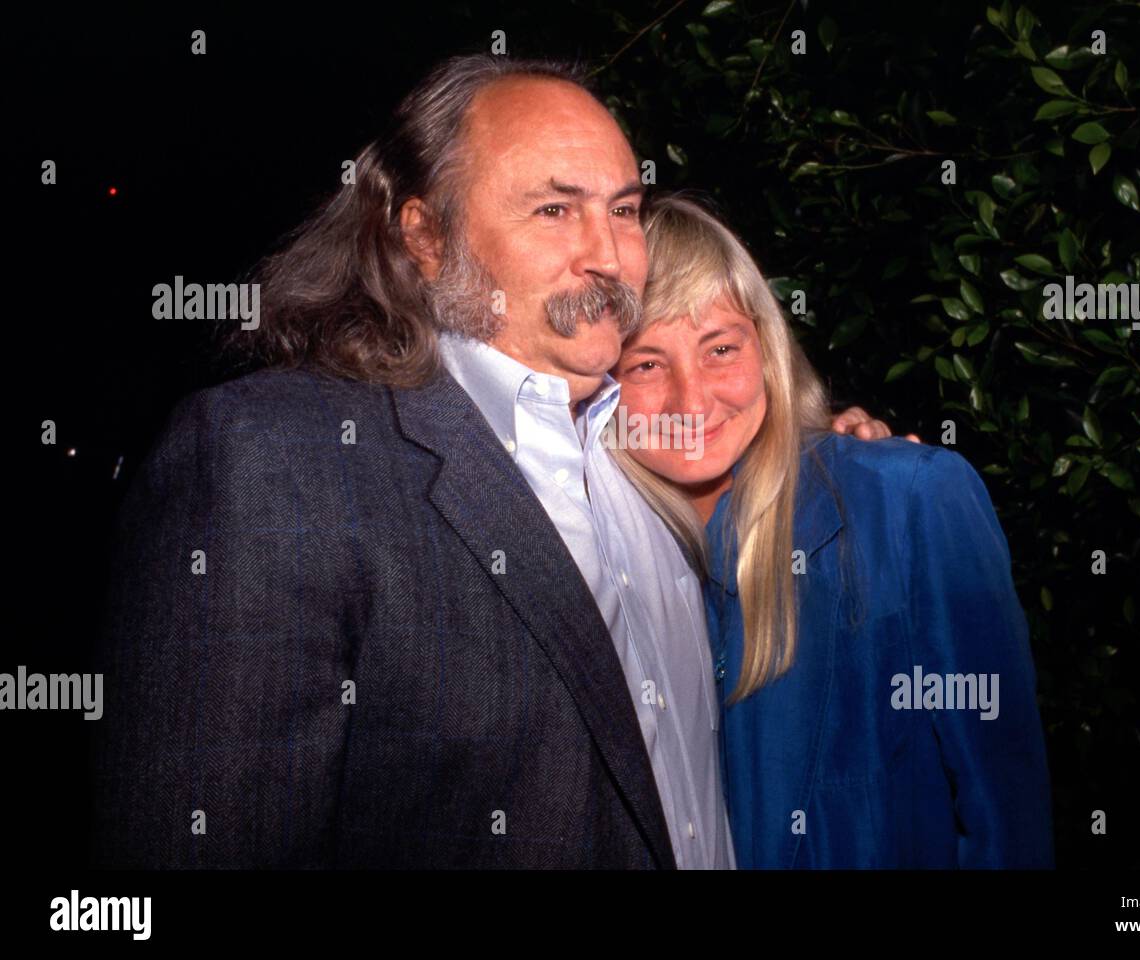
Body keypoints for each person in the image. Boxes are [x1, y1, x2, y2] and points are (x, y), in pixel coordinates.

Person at [91, 55, 891, 870]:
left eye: (622, 209)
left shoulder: (643, 459)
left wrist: (854, 464)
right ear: (425, 237)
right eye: (554, 209)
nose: (608, 255)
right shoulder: (272, 459)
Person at [609, 193, 1055, 868]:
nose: (691, 399)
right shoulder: (601, 552)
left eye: (720, 348)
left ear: (768, 348)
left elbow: (1007, 820)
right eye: (646, 364)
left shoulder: (909, 500)